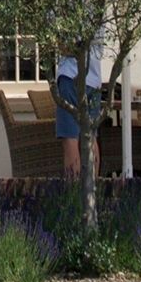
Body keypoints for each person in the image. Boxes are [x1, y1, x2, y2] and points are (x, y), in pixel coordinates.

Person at [55, 29, 105, 177]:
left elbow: (66, 46)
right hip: (94, 80)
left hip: (71, 76)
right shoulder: (99, 7)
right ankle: (93, 190)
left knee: (70, 138)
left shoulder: (66, 5)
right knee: (91, 137)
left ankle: (74, 194)